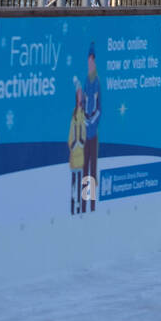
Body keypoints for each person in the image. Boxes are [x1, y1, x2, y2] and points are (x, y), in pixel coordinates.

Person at [83, 44, 102, 212]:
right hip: (85, 134)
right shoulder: (85, 81)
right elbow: (82, 104)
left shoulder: (97, 82)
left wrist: (92, 121)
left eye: (92, 61)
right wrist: (84, 120)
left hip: (93, 133)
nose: (90, 64)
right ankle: (84, 203)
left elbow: (100, 109)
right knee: (85, 169)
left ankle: (93, 204)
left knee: (93, 171)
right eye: (88, 61)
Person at [68, 84, 87, 215]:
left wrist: (81, 142)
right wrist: (73, 143)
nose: (80, 97)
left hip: (81, 151)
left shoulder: (83, 114)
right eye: (78, 95)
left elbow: (84, 132)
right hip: (74, 151)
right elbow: (70, 134)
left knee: (81, 179)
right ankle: (73, 202)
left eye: (81, 95)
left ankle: (79, 204)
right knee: (74, 179)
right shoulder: (74, 114)